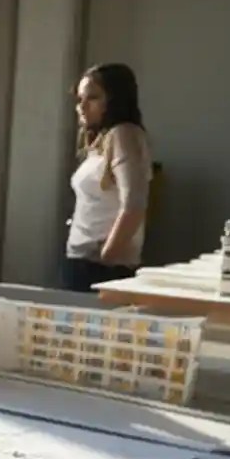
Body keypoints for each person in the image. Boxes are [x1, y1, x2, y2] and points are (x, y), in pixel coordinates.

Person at [63, 63, 151, 292]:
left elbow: (134, 204)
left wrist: (107, 255)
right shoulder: (101, 139)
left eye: (92, 98)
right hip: (83, 257)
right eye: (79, 99)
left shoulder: (123, 134)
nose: (82, 106)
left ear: (114, 100)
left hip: (101, 266)